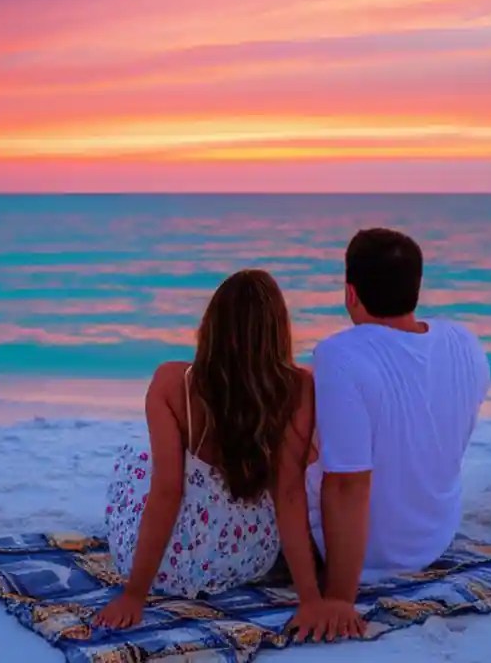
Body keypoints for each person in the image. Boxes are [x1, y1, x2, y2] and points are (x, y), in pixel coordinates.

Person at [96, 269, 365, 641]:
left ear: (212, 324)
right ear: (277, 331)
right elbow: (288, 494)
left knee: (139, 459)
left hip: (169, 566)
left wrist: (134, 595)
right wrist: (310, 599)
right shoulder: (298, 387)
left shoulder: (173, 382)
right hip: (245, 557)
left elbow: (166, 492)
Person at [308, 228, 491, 604]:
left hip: (371, 556)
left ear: (350, 293)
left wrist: (340, 599)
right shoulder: (464, 342)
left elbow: (348, 485)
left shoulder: (340, 354)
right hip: (434, 539)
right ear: (416, 287)